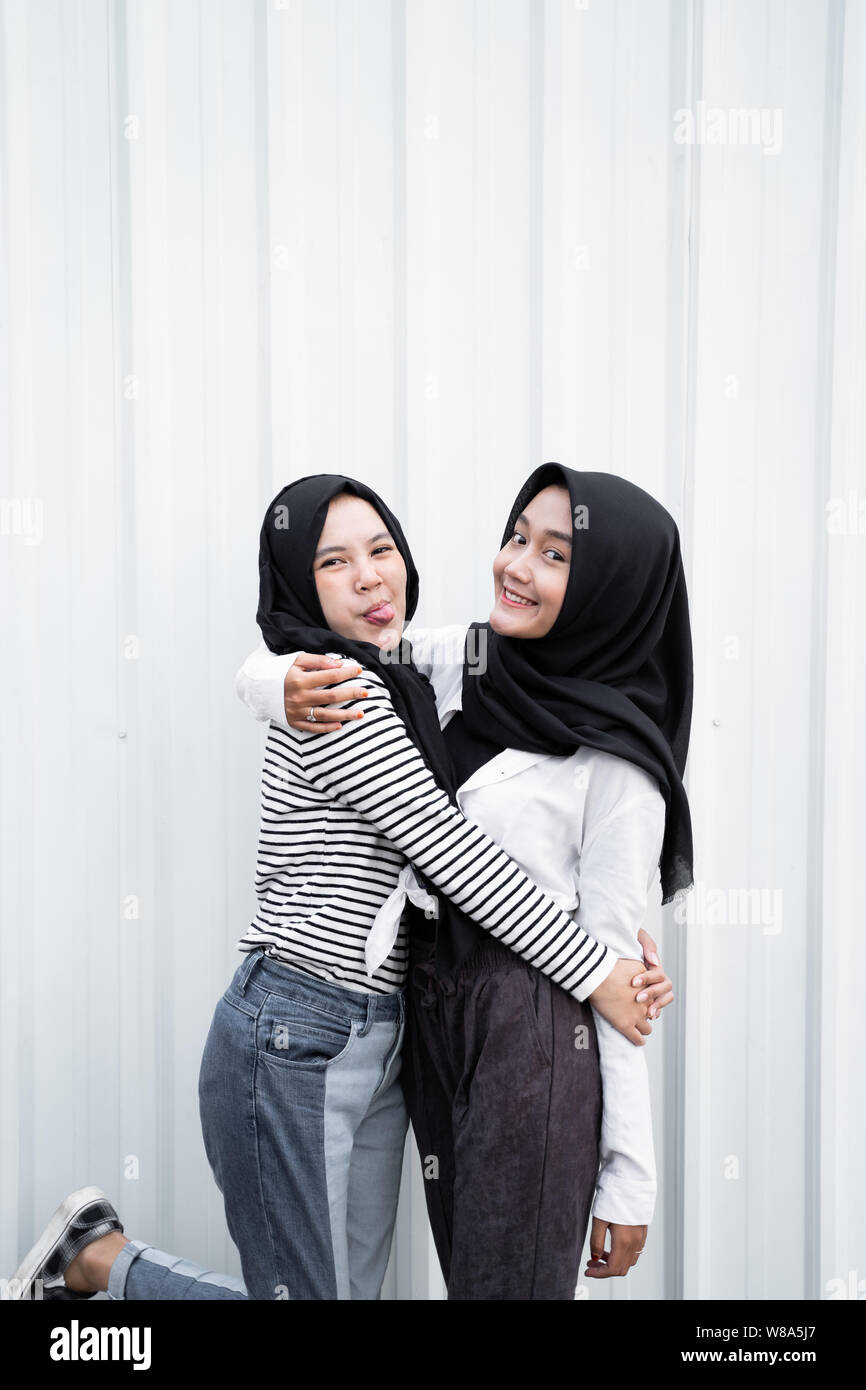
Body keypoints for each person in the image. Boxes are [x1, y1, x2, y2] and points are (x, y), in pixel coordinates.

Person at [8, 473, 662, 1304]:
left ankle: (96, 1255)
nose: (368, 576)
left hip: (382, 1038)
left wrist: (611, 936)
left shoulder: (418, 672)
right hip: (296, 1024)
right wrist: (595, 969)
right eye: (333, 562)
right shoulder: (339, 690)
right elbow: (447, 849)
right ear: (298, 586)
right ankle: (103, 1264)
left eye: (382, 549)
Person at [235, 462, 692, 1299]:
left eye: (556, 556)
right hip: (429, 1020)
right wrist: (271, 683)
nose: (516, 565)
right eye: (517, 536)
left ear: (610, 588)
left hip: (537, 1028)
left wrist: (630, 1179)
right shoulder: (467, 660)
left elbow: (618, 980)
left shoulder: (620, 769)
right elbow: (337, 648)